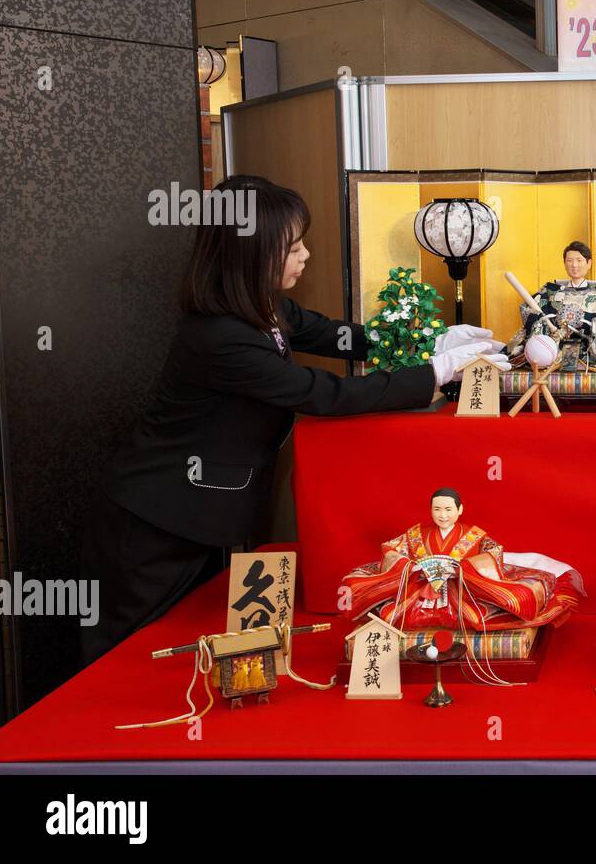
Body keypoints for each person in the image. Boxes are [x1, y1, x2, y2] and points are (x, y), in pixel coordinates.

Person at [80, 175, 509, 665]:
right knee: (126, 661)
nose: (304, 254)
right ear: (249, 254)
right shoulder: (220, 337)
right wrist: (433, 373)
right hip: (154, 522)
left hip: (197, 517)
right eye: (292, 246)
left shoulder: (263, 306)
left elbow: (333, 335)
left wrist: (431, 339)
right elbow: (321, 393)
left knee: (180, 651)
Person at [340, 487, 582, 631]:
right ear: (430, 510)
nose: (442, 515)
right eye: (437, 510)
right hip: (418, 588)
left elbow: (494, 552)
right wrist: (411, 567)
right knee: (354, 587)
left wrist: (463, 569)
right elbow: (391, 549)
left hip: (465, 588)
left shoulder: (473, 535)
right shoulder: (415, 534)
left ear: (460, 510)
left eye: (448, 510)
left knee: (522, 597)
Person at [503, 240, 596, 371]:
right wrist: (545, 323)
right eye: (569, 261)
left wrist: (593, 327)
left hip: (590, 343)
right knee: (518, 348)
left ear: (588, 263)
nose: (574, 265)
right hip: (555, 342)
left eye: (579, 260)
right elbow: (529, 308)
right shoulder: (550, 290)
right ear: (564, 264)